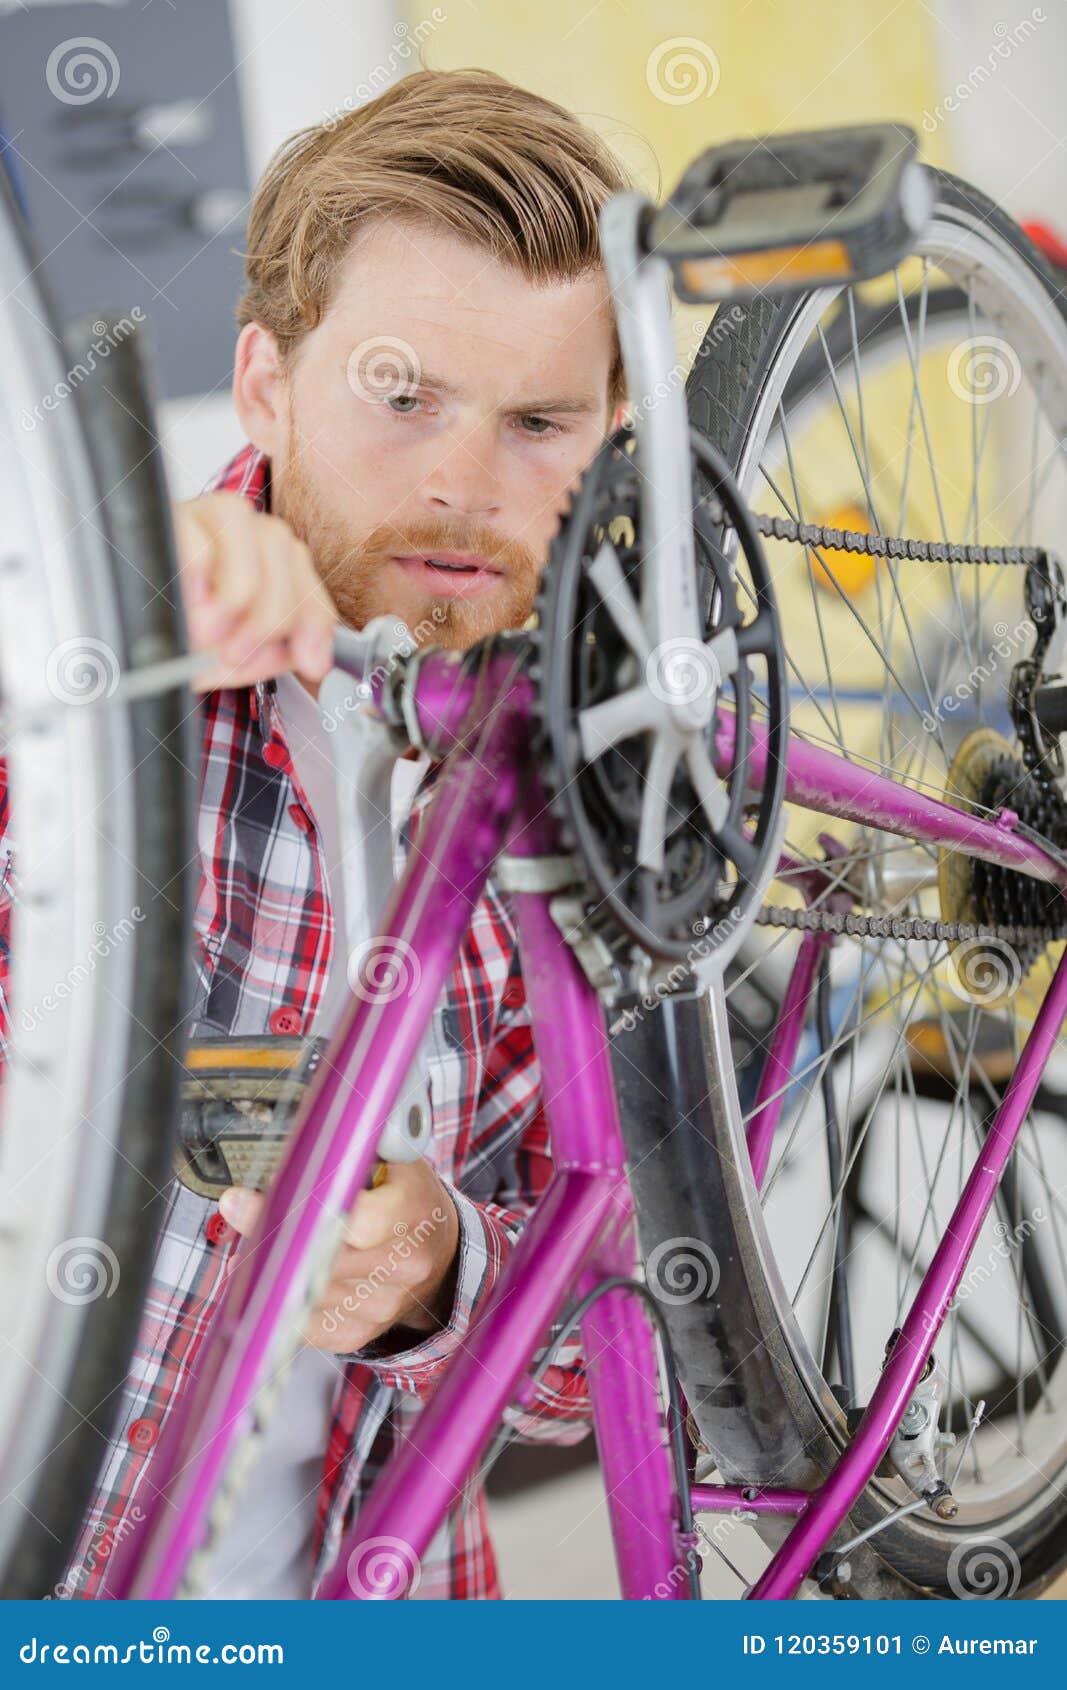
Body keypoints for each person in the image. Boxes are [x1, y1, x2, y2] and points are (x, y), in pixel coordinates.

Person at [23, 66, 634, 1599]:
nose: (460, 481)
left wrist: (444, 1269)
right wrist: (88, 625)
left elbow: (656, 1378)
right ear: (265, 385)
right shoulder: (94, 657)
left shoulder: (603, 810)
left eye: (540, 422)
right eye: (401, 392)